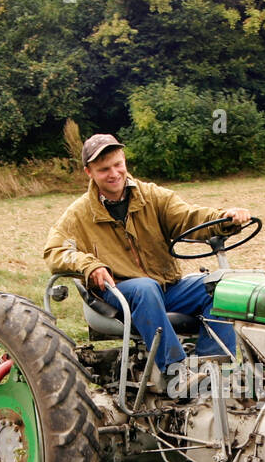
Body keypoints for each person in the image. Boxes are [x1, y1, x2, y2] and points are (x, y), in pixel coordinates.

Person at [43, 134, 251, 380]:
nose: (114, 174)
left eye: (118, 165)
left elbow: (189, 217)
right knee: (145, 287)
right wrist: (89, 265)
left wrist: (224, 218)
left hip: (165, 287)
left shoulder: (152, 196)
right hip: (118, 292)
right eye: (104, 169)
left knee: (221, 287)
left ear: (125, 161)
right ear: (89, 172)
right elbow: (55, 251)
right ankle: (176, 372)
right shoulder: (79, 214)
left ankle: (213, 371)